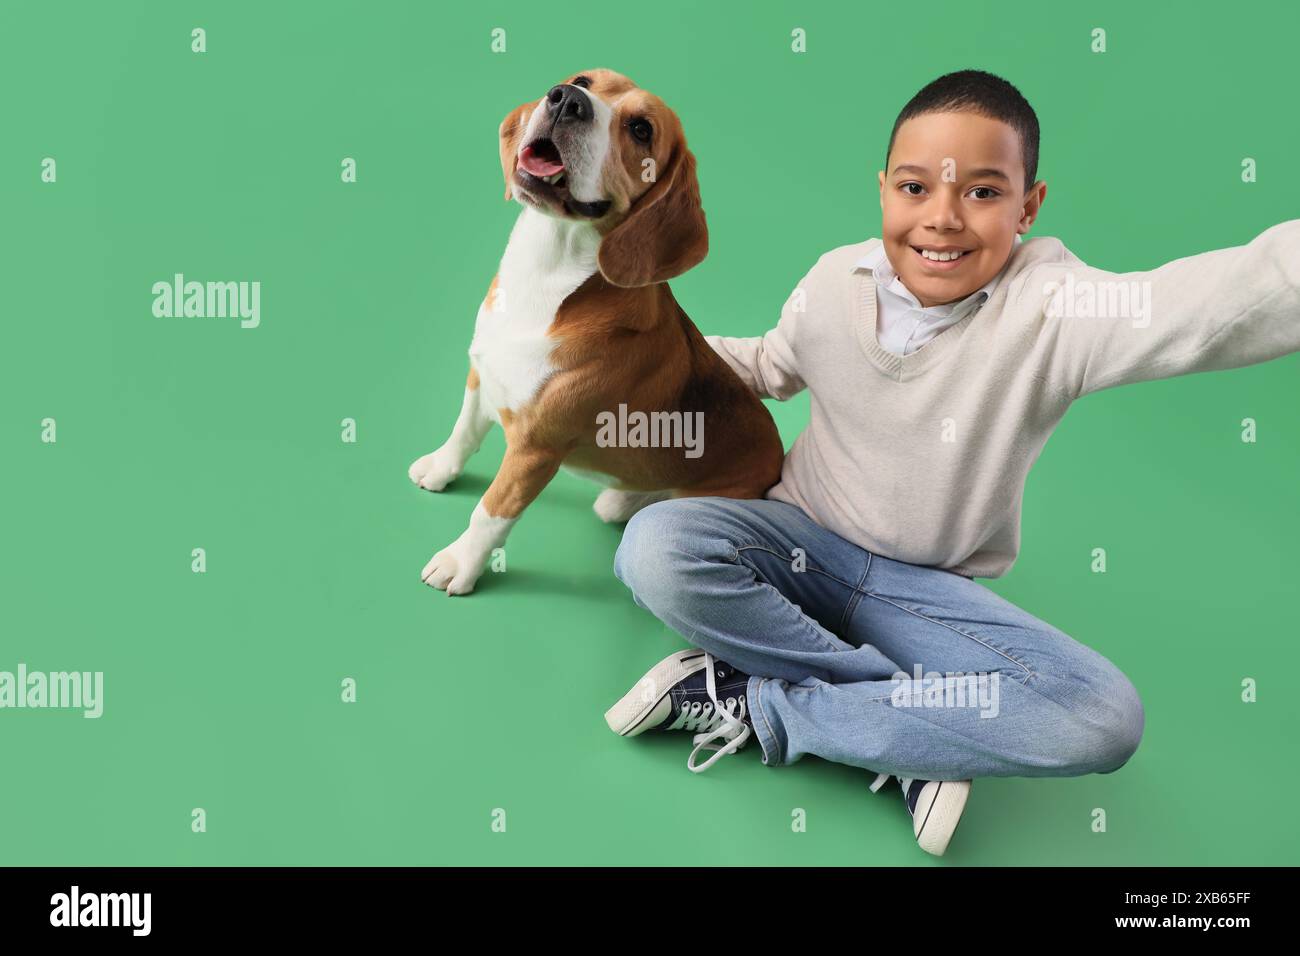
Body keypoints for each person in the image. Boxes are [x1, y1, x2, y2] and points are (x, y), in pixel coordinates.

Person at [602, 68, 1300, 856]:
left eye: (982, 192)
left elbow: (1209, 304)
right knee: (655, 547)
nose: (941, 219)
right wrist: (616, 385)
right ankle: (918, 733)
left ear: (1028, 207)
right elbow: (762, 365)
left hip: (924, 597)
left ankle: (766, 704)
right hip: (794, 542)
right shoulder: (837, 280)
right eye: (914, 187)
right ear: (884, 191)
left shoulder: (1056, 311)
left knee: (1104, 718)